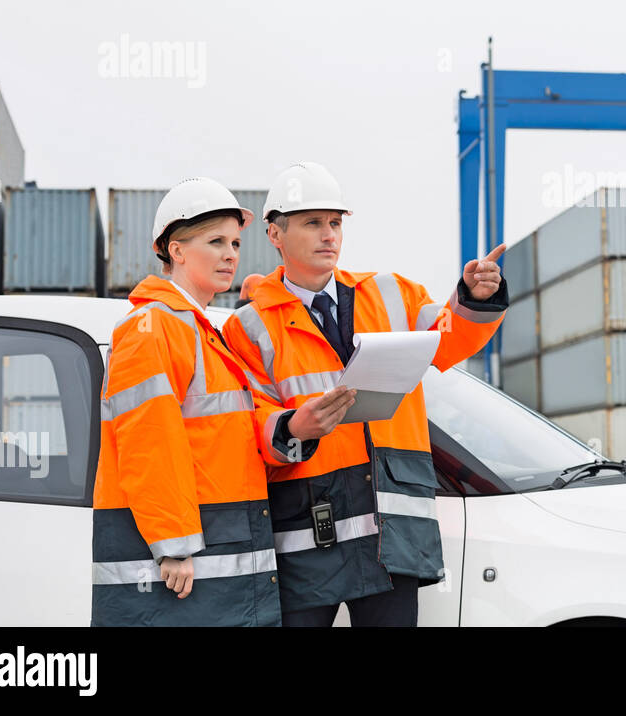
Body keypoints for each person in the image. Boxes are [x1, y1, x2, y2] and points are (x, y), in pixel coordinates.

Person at [222, 161, 507, 627]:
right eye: (313, 223)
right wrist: (293, 427)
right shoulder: (248, 327)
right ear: (275, 234)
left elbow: (447, 340)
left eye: (335, 223)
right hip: (307, 536)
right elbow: (246, 422)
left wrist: (473, 298)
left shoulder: (393, 293)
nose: (328, 235)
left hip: (390, 536)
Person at [90, 177, 356, 625]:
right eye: (215, 242)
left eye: (234, 243)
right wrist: (173, 545)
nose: (230, 254)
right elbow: (148, 441)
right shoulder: (152, 328)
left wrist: (292, 430)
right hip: (184, 563)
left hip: (223, 553)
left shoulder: (204, 332)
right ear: (176, 250)